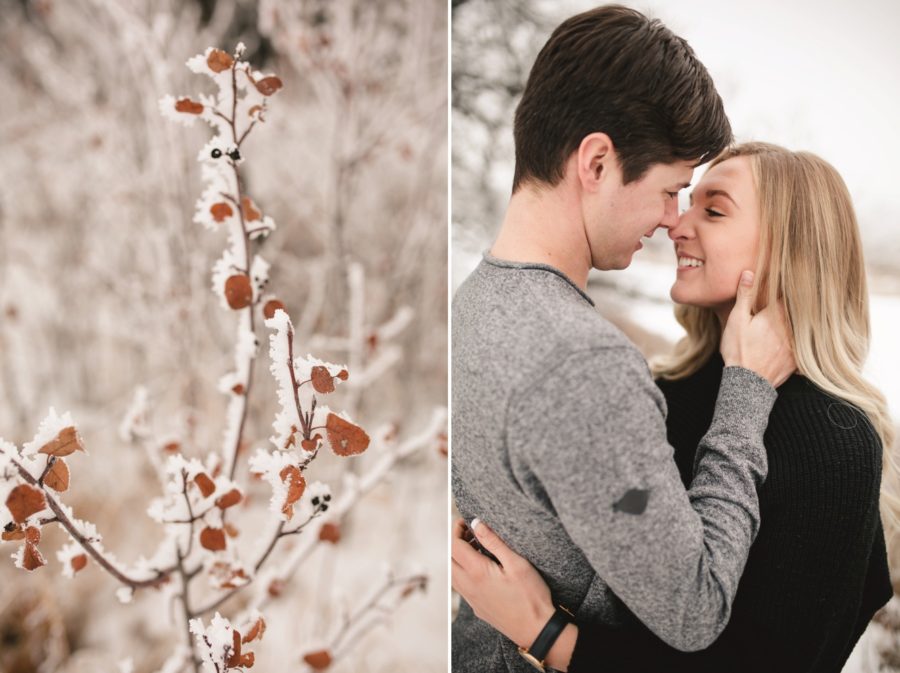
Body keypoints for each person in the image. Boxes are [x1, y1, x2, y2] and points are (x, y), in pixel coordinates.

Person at [451, 142, 895, 672]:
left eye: (714, 210)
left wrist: (546, 635)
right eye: (687, 201)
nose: (677, 224)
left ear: (789, 249)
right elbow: (609, 539)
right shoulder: (664, 388)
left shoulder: (834, 440)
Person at [452, 6, 795, 673]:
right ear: (597, 161)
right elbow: (694, 607)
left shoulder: (478, 297)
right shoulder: (584, 366)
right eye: (670, 190)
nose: (673, 220)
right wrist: (745, 399)